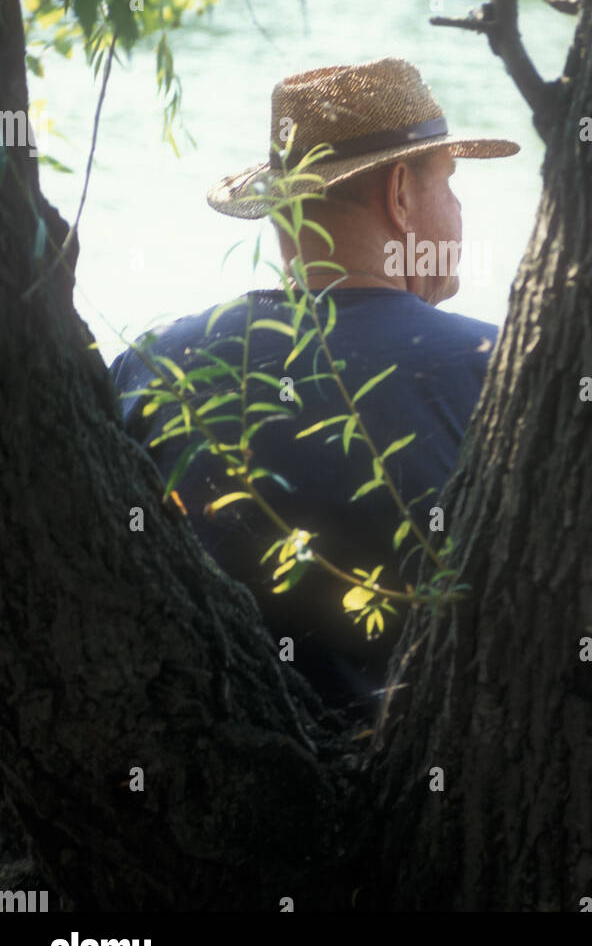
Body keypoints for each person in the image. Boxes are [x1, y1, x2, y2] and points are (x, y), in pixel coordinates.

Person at [111, 57, 519, 714]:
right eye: (449, 183)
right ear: (400, 194)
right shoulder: (498, 371)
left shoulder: (152, 365)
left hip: (193, 765)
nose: (460, 209)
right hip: (420, 786)